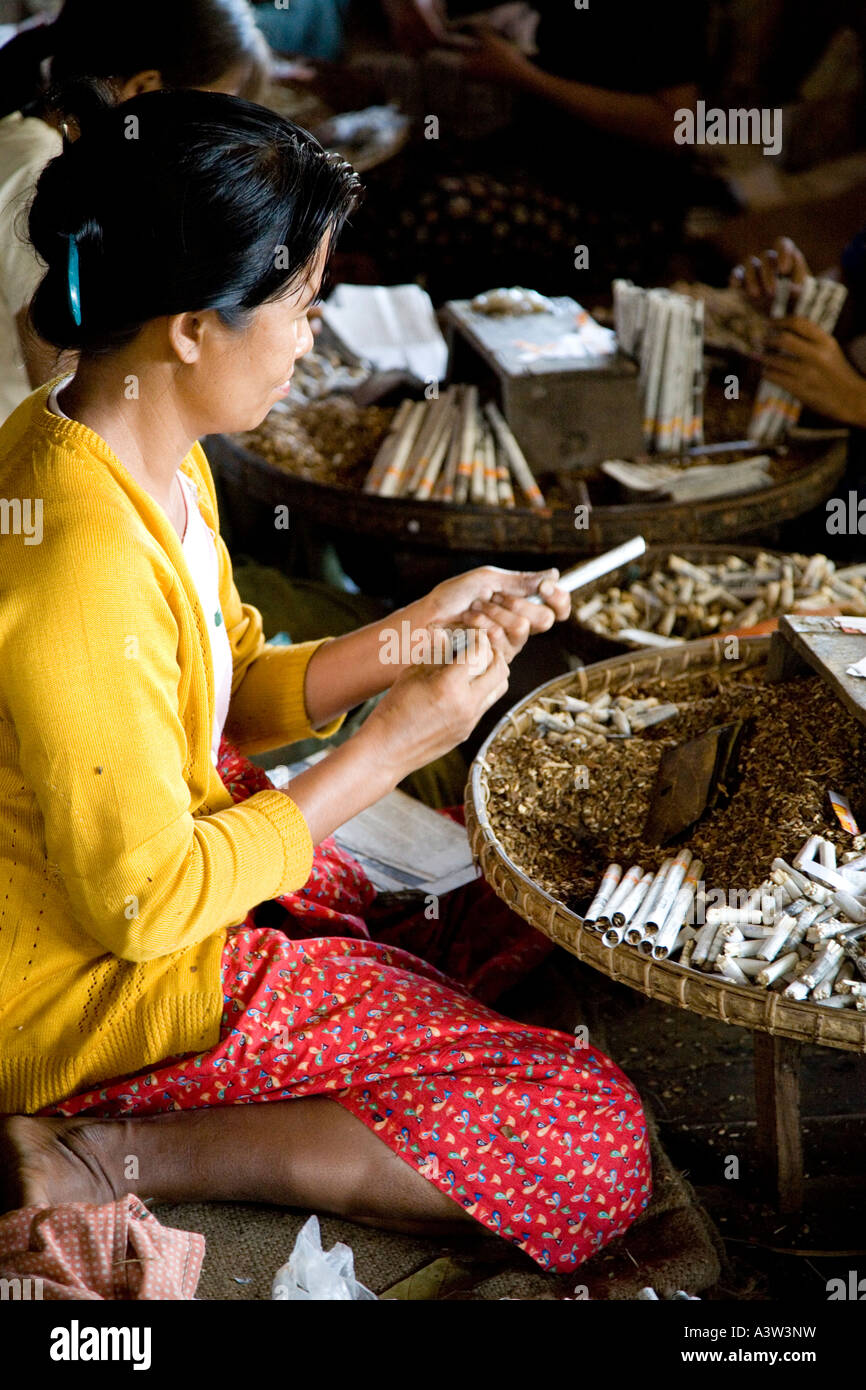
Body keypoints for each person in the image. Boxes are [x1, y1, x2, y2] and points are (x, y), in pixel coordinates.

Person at [0, 87, 650, 1272]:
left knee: (513, 891)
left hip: (138, 890)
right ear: (193, 324)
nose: (308, 345)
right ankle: (102, 1149)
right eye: (300, 308)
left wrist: (415, 631)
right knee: (590, 1140)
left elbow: (225, 681)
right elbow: (140, 903)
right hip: (76, 988)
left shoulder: (134, 439)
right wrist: (387, 747)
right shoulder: (77, 557)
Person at [0, 0, 272, 423]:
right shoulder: (43, 173)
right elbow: (72, 391)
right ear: (144, 89)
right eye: (206, 116)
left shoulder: (69, 149)